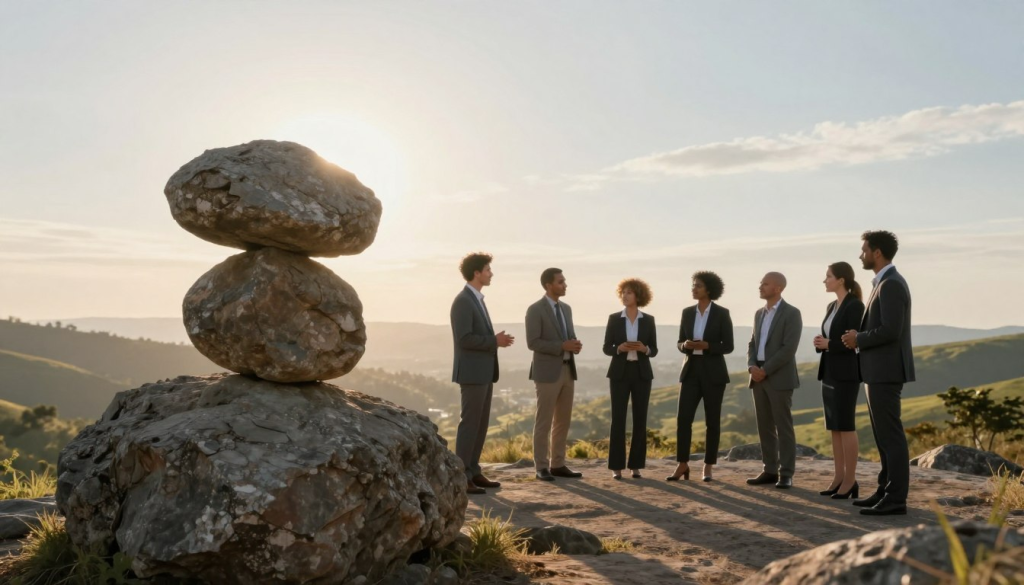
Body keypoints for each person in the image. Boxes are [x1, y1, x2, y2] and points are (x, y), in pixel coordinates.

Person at [841, 230, 915, 516]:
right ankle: (885, 491)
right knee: (883, 436)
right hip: (877, 371)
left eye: (864, 250)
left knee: (891, 436)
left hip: (885, 371)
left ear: (878, 252)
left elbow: (890, 331)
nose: (860, 255)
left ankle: (895, 498)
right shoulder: (884, 282)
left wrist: (858, 338)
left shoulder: (891, 284)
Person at [450, 253, 515, 495]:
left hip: (484, 372)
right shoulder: (463, 301)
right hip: (472, 373)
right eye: (488, 269)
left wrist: (493, 340)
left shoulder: (477, 299)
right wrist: (494, 340)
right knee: (470, 424)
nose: (491, 273)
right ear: (476, 273)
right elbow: (464, 339)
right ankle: (460, 477)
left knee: (481, 424)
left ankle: (474, 472)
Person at [670, 271, 734, 482]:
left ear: (709, 289)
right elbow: (680, 342)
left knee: (712, 421)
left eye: (698, 285)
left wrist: (707, 346)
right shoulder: (687, 312)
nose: (693, 289)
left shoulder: (722, 313)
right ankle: (682, 464)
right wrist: (685, 345)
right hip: (690, 371)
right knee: (683, 419)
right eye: (693, 285)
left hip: (713, 373)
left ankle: (708, 466)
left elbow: (728, 346)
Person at [812, 262, 865, 500]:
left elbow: (851, 342)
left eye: (828, 276)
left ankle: (850, 480)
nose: (825, 280)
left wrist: (829, 344)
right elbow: (831, 337)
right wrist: (821, 343)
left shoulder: (855, 305)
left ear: (841, 280)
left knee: (846, 425)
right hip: (829, 370)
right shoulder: (831, 305)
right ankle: (838, 477)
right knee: (834, 426)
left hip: (846, 373)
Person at [745, 272, 803, 489]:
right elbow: (752, 343)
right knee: (764, 426)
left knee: (783, 426)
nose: (760, 286)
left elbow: (789, 348)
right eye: (761, 282)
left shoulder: (792, 313)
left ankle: (786, 473)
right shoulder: (759, 313)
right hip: (758, 376)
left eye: (765, 283)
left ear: (778, 288)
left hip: (779, 377)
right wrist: (752, 366)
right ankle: (769, 470)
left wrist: (765, 370)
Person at [525, 267, 583, 481]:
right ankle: (541, 466)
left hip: (568, 369)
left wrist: (574, 344)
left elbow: (569, 335)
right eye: (560, 281)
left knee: (563, 421)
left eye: (564, 281)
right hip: (547, 373)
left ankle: (557, 464)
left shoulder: (566, 309)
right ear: (548, 285)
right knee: (544, 421)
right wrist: (561, 345)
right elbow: (533, 342)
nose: (565, 284)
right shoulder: (535, 309)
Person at [602, 278, 659, 479]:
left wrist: (645, 349)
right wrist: (619, 348)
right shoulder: (614, 318)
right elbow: (606, 347)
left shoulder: (649, 320)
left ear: (638, 296)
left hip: (642, 373)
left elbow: (654, 350)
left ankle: (636, 466)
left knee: (640, 419)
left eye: (629, 292)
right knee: (618, 419)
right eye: (623, 292)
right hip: (619, 373)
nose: (625, 296)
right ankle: (616, 467)